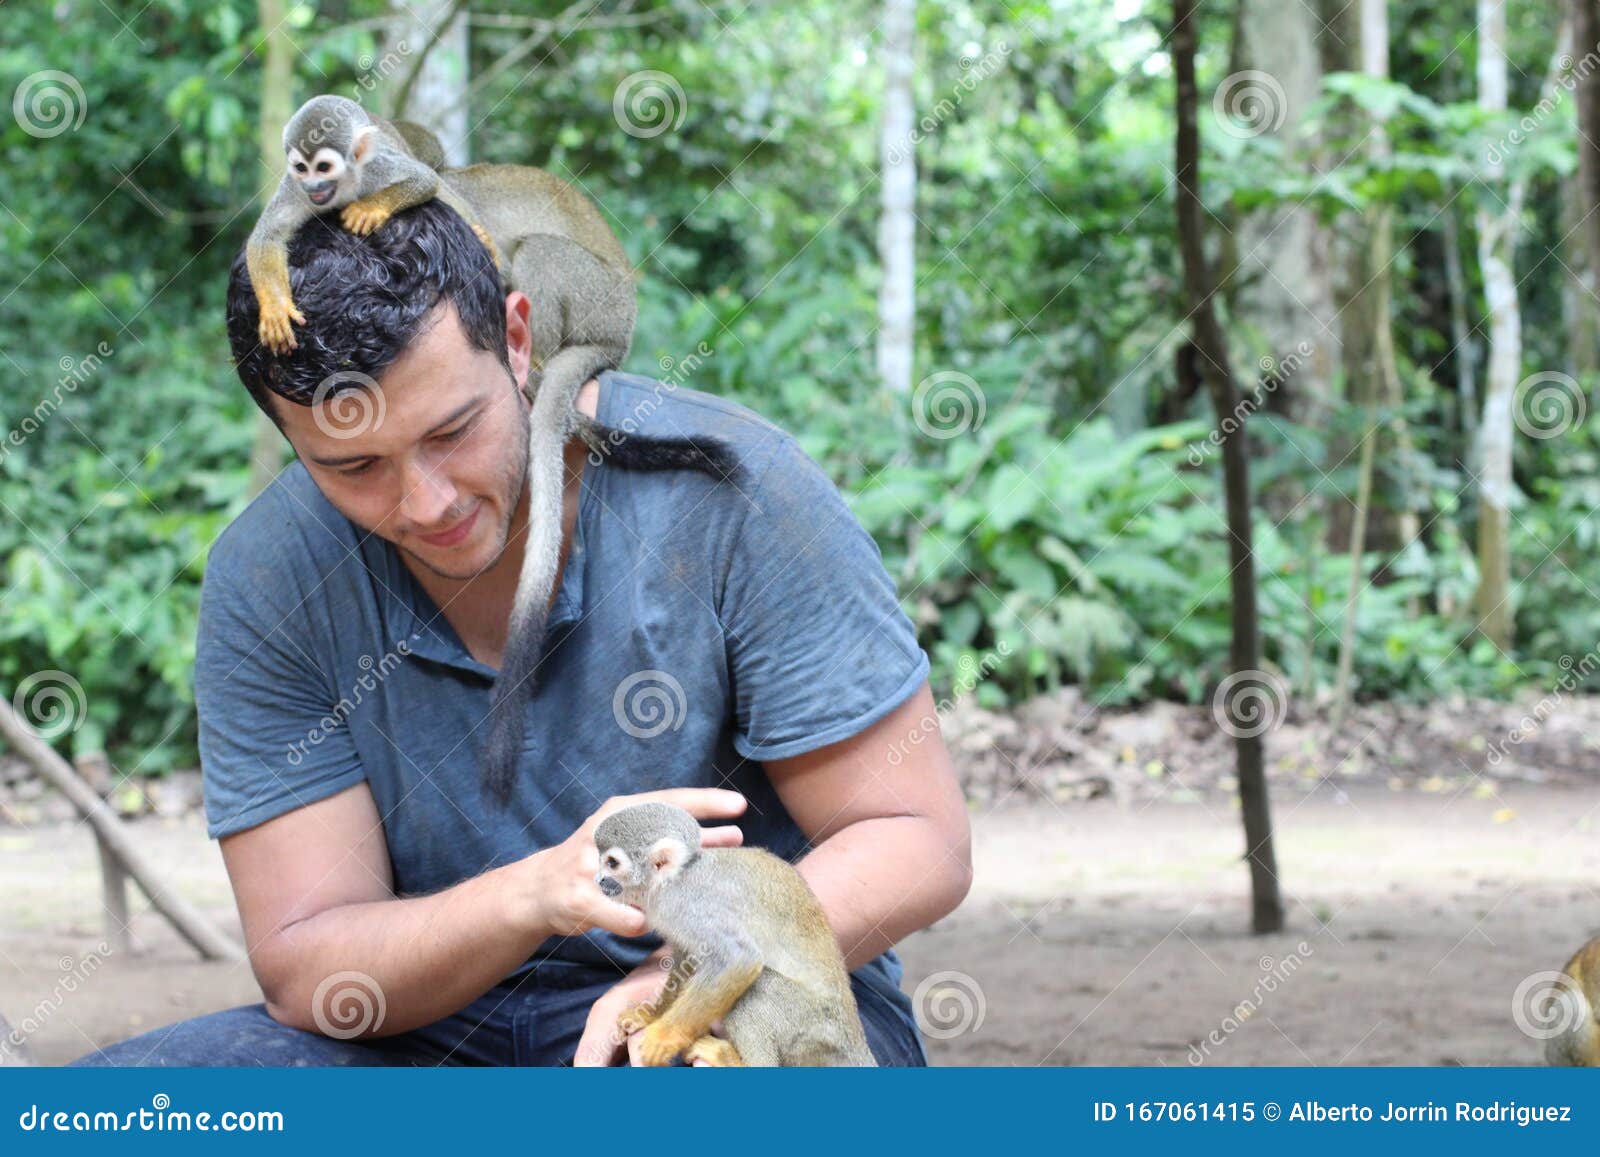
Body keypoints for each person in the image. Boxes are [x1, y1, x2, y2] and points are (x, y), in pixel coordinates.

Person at [69, 200, 971, 1067]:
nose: (428, 503)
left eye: (454, 429)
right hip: (426, 1033)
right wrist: (535, 894)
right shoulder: (270, 574)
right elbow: (311, 965)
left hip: (750, 1007)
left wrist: (670, 987)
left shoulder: (735, 491)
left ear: (518, 338)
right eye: (353, 466)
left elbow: (916, 836)